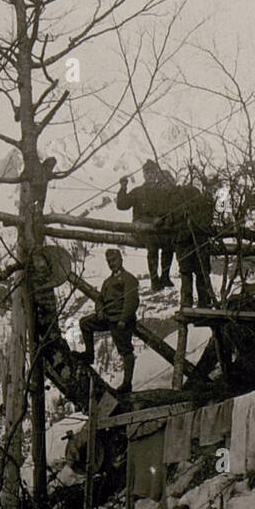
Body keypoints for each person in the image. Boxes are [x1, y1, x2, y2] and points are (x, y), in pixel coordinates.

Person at [79, 248, 139, 393]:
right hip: (108, 318)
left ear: (120, 260)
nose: (112, 264)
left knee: (125, 350)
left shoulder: (129, 279)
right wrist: (100, 310)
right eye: (109, 262)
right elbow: (100, 300)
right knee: (84, 323)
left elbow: (132, 301)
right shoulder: (107, 282)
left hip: (120, 319)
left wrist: (124, 319)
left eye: (114, 260)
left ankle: (127, 383)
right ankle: (89, 354)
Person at [116, 161, 177, 291]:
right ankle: (155, 279)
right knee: (152, 242)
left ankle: (165, 276)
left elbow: (169, 210)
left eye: (153, 172)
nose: (150, 175)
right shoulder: (138, 192)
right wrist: (123, 187)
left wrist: (161, 219)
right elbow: (121, 205)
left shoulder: (162, 192)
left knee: (169, 242)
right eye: (147, 172)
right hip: (141, 229)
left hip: (158, 228)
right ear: (144, 174)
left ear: (156, 174)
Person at [159, 183, 217, 308]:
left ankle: (187, 302)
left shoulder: (175, 201)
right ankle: (204, 302)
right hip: (198, 241)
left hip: (184, 241)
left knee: (187, 273)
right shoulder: (204, 201)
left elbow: (169, 222)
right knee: (201, 272)